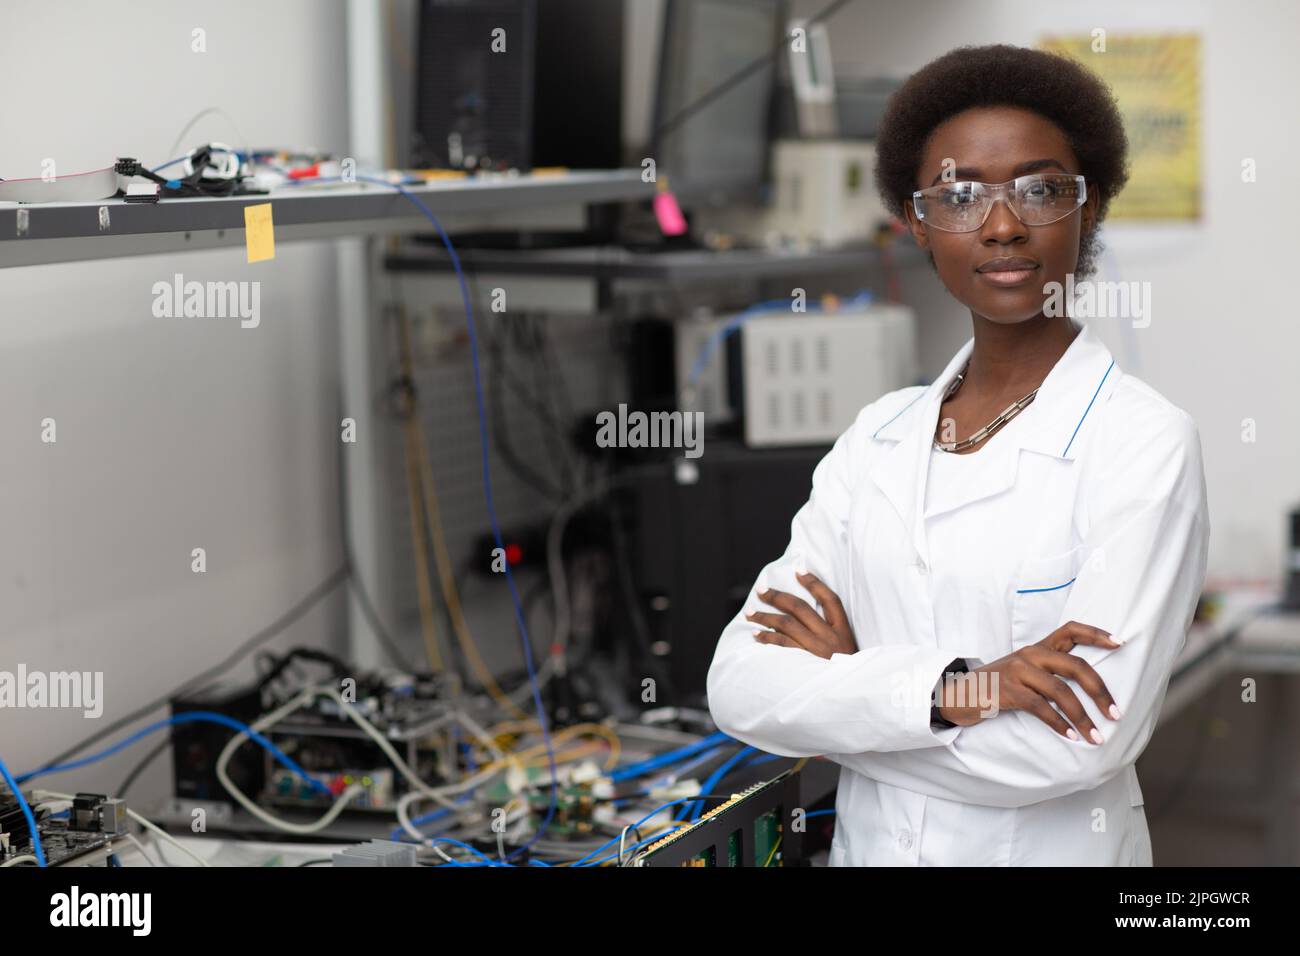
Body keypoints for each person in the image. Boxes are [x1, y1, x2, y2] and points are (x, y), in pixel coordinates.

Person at [705, 44, 1210, 866]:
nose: (1003, 225)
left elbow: (1077, 747)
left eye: (1041, 190)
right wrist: (958, 692)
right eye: (960, 195)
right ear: (918, 222)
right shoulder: (877, 436)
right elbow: (738, 685)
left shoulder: (1142, 442)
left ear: (1089, 209)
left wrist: (846, 696)